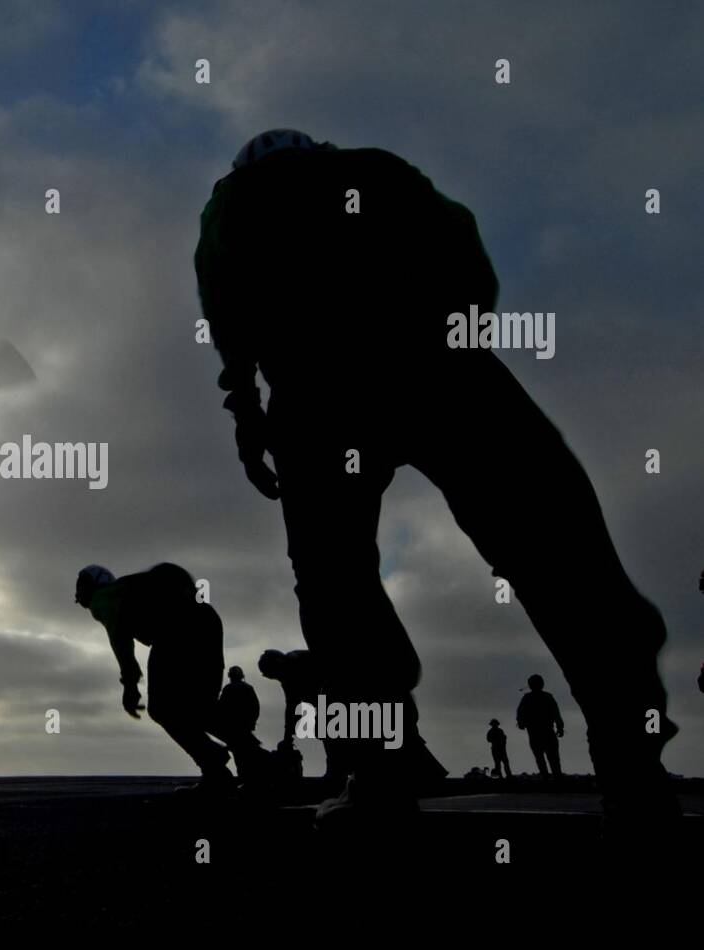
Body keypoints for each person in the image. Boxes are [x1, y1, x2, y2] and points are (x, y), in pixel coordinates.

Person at [194, 128, 678, 830]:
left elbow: (224, 307)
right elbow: (462, 245)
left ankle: (379, 776)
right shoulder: (375, 168)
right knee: (560, 552)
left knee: (337, 588)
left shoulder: (233, 201)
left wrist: (244, 407)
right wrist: (460, 346)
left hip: (316, 396)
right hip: (440, 369)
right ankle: (635, 766)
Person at [74, 563, 235, 792]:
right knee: (201, 708)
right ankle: (256, 759)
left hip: (174, 632)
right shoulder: (132, 586)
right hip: (206, 621)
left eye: (80, 586)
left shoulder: (104, 599)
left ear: (90, 586)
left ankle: (214, 766)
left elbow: (120, 641)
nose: (76, 594)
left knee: (162, 709)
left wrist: (130, 686)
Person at [517, 674, 564, 778]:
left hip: (534, 733)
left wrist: (521, 723)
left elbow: (520, 713)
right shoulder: (548, 697)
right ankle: (557, 778)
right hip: (547, 732)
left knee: (540, 758)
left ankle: (546, 778)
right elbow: (556, 714)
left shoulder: (527, 698)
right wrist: (560, 727)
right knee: (553, 758)